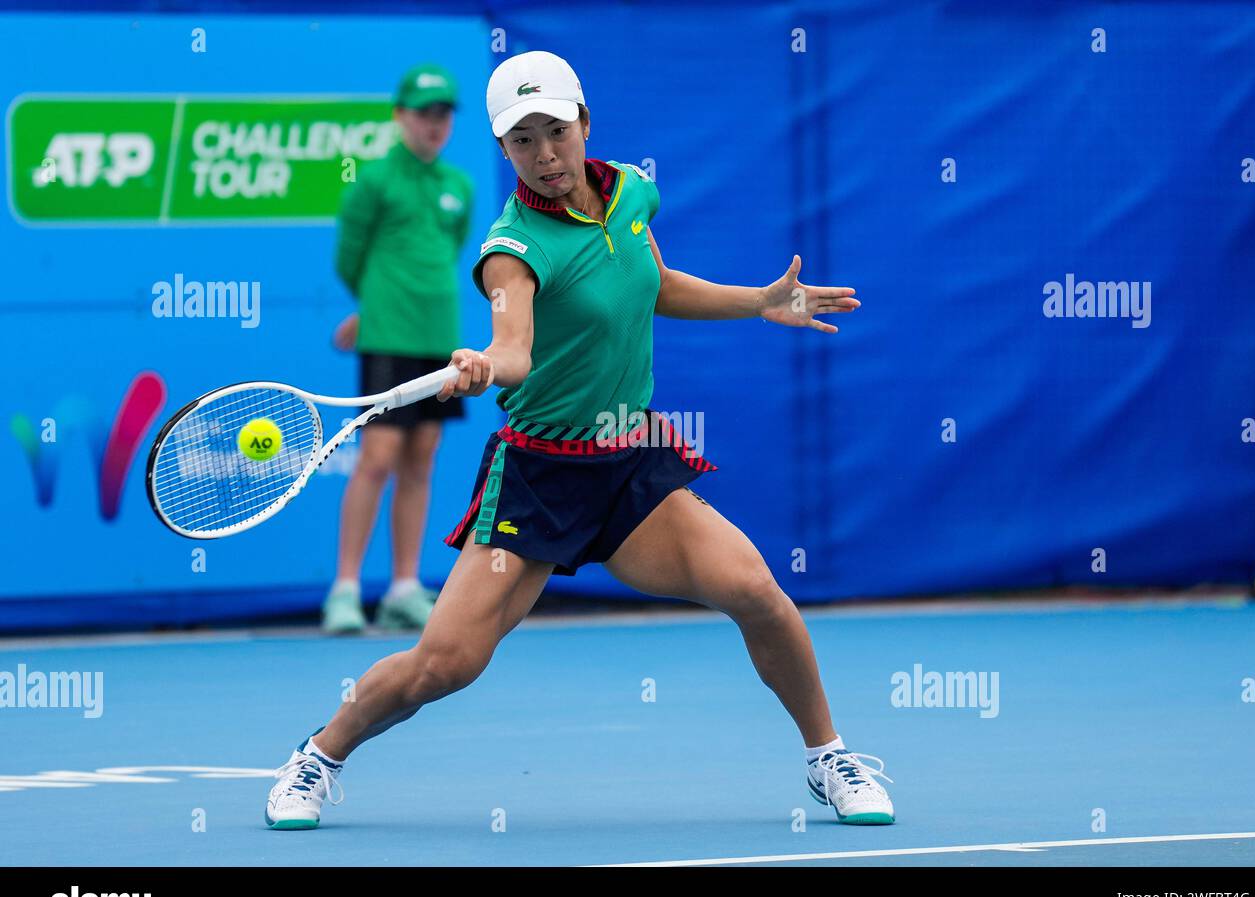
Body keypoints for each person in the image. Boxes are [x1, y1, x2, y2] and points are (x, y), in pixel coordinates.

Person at [267, 51, 894, 829]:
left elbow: (652, 283)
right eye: (522, 141)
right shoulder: (510, 250)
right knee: (445, 664)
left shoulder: (631, 194)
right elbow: (515, 351)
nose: (544, 154)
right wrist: (484, 363)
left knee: (758, 593)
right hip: (539, 477)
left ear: (584, 124)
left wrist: (760, 300)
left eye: (555, 131)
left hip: (629, 466)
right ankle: (318, 756)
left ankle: (828, 757)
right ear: (503, 151)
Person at [323, 64, 475, 634]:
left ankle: (404, 588)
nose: (435, 124)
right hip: (388, 339)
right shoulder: (373, 182)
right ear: (400, 116)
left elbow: (448, 253)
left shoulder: (459, 186)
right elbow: (350, 257)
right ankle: (344, 590)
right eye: (423, 112)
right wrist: (375, 309)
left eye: (444, 114)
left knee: (422, 458)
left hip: (440, 341)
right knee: (379, 457)